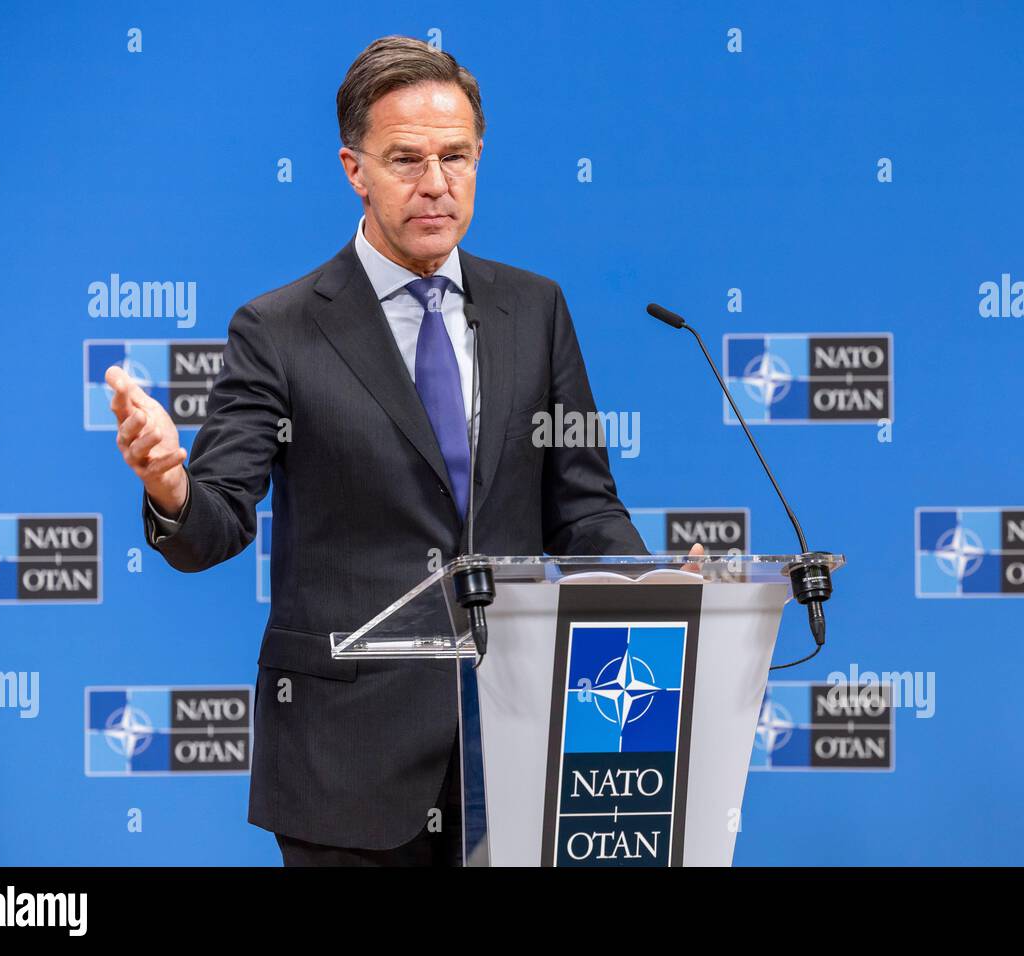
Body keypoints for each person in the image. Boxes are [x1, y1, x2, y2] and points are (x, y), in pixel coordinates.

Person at [104, 35, 696, 866]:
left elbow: (584, 504)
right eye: (406, 159)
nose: (436, 183)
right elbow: (216, 524)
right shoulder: (278, 330)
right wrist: (170, 486)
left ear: (479, 156)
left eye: (456, 156)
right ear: (355, 169)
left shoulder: (536, 308)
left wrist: (653, 588)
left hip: (521, 749)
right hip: (347, 764)